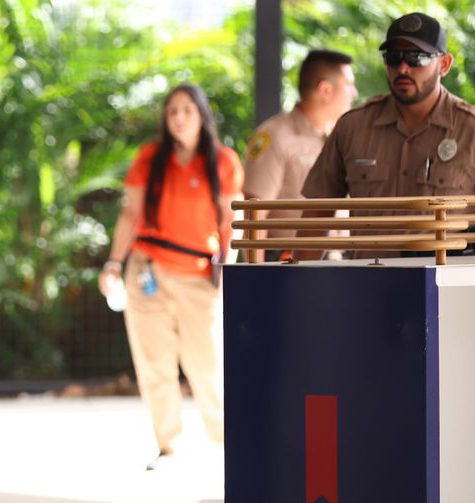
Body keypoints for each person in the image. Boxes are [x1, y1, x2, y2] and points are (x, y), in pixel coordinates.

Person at [97, 84, 243, 470]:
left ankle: (230, 443)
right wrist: (113, 263)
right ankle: (168, 445)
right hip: (148, 270)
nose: (178, 117)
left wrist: (230, 266)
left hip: (199, 274)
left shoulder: (223, 160)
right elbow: (130, 214)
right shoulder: (150, 158)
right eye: (172, 111)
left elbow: (231, 221)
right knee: (154, 363)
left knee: (207, 364)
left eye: (187, 110)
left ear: (201, 115)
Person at [301, 13, 475, 249]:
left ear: (444, 64)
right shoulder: (353, 126)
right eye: (394, 57)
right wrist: (296, 281)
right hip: (369, 277)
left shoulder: (470, 129)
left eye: (417, 58)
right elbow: (315, 216)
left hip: (444, 281)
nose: (403, 68)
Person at [242, 50, 357, 260]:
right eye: (349, 85)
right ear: (326, 90)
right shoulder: (274, 136)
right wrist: (255, 278)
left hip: (342, 262)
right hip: (288, 262)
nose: (354, 93)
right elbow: (254, 214)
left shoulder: (339, 138)